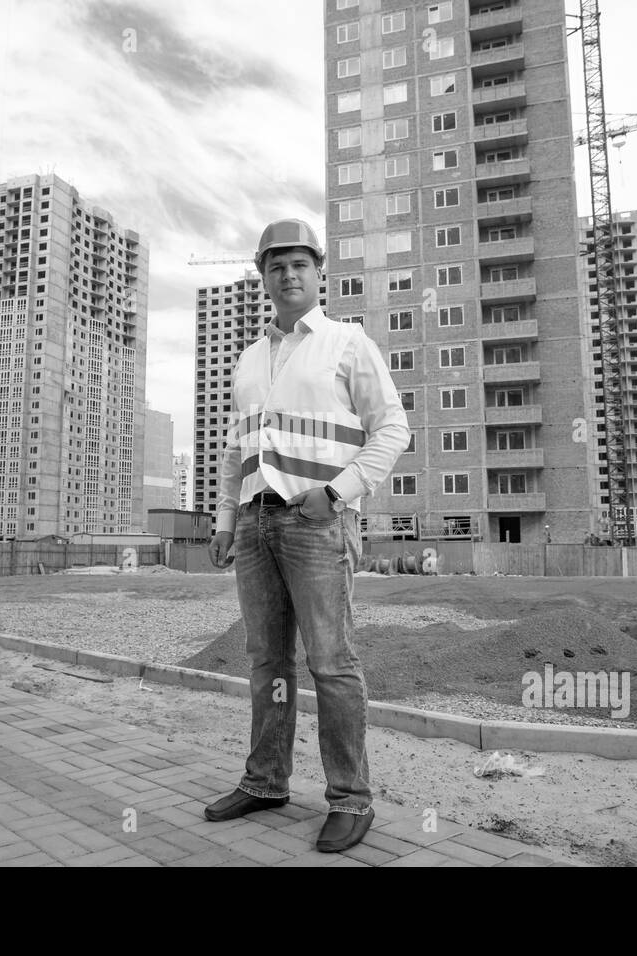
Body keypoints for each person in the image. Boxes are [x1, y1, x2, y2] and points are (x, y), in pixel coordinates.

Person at [204, 218, 410, 852]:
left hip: (317, 521)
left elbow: (392, 430)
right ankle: (266, 781)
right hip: (257, 524)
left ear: (319, 273)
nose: (287, 275)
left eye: (299, 265)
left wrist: (337, 494)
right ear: (263, 276)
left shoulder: (347, 343)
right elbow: (236, 447)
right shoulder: (248, 358)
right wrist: (226, 519)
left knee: (331, 663)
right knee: (267, 661)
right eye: (274, 266)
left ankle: (351, 799)